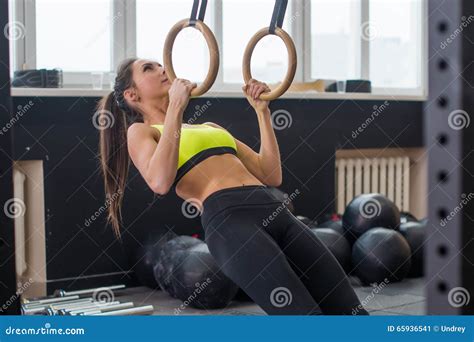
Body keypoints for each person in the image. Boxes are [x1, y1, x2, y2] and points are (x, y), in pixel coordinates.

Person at [97, 58, 368, 315]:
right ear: (132, 95)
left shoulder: (209, 126)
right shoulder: (143, 132)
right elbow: (160, 181)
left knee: (350, 310)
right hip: (232, 224)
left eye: (159, 63)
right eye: (148, 68)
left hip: (277, 211)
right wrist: (176, 110)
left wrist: (262, 112)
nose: (160, 68)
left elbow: (271, 174)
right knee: (304, 317)